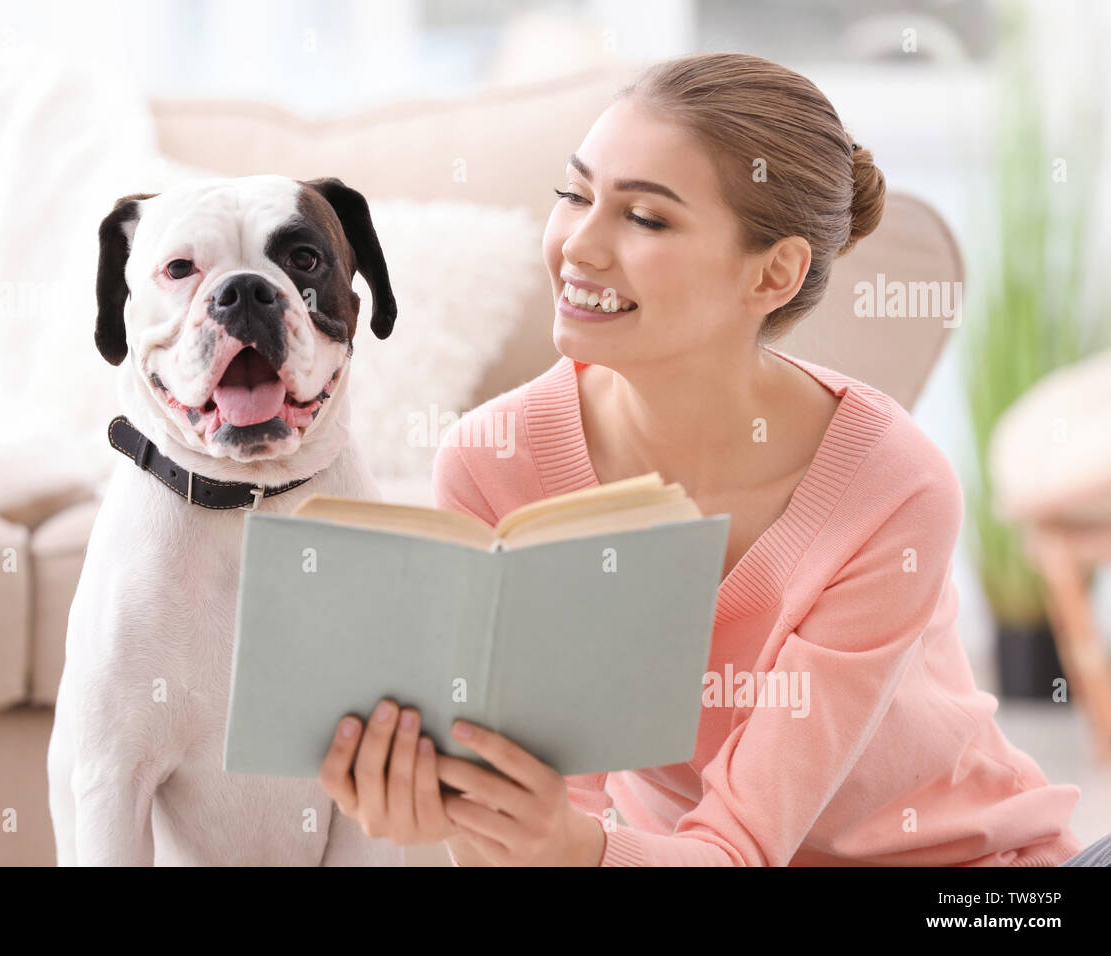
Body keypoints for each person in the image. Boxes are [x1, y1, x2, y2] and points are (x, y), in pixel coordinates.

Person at [315, 52, 1097, 866]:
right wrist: (458, 815)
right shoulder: (495, 463)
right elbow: (548, 818)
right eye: (574, 195)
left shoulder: (894, 486)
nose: (579, 246)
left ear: (774, 273)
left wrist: (576, 848)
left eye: (645, 219)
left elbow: (740, 844)